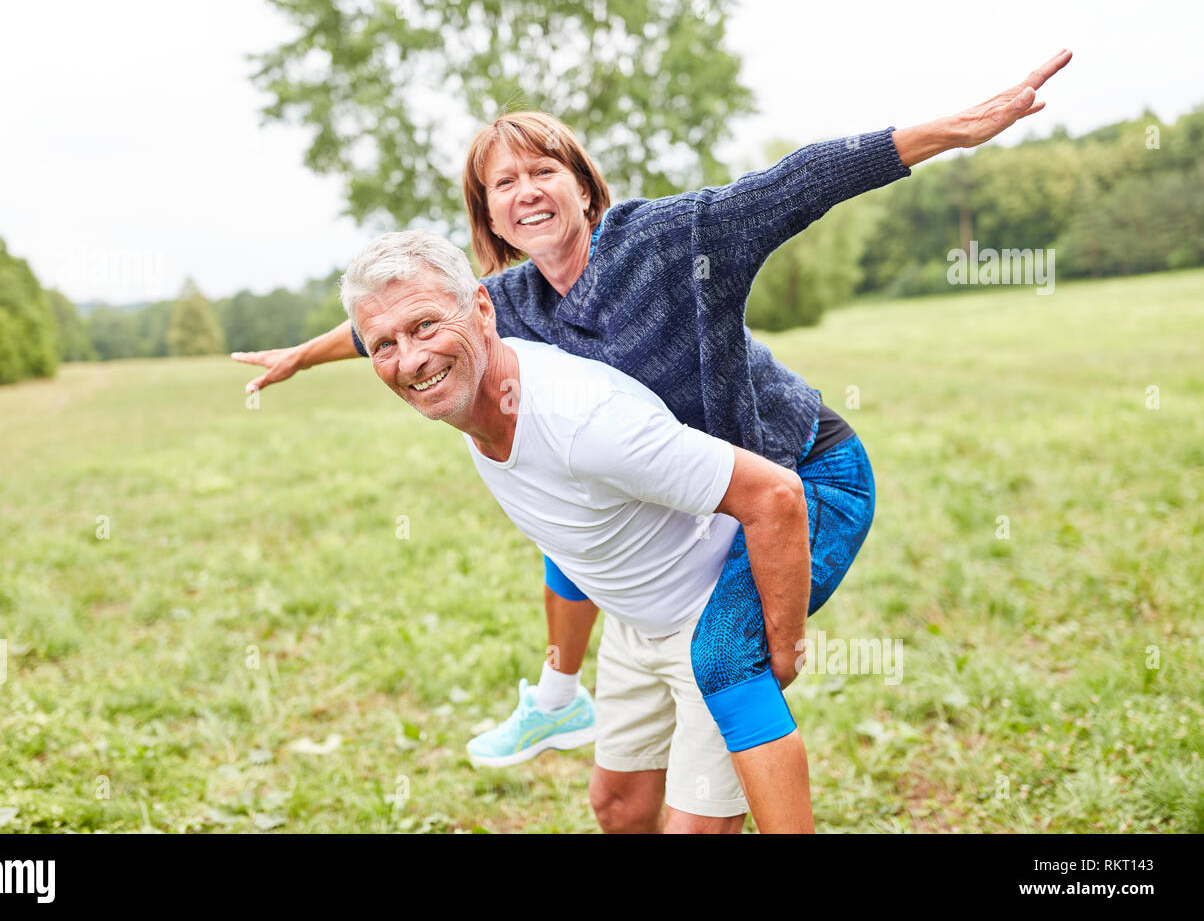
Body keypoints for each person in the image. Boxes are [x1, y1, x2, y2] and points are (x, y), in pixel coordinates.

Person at [234, 50, 1074, 766]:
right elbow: (388, 323)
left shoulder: (675, 237)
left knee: (724, 661)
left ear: (581, 183)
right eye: (503, 182)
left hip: (804, 478)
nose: (526, 191)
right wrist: (301, 357)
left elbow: (799, 180)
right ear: (485, 213)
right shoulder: (508, 300)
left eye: (543, 170)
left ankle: (759, 689)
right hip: (705, 492)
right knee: (568, 514)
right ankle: (559, 698)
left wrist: (948, 133)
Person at [343, 228, 814, 832]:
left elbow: (775, 496)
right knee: (616, 808)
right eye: (384, 344)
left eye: (426, 326)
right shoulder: (473, 403)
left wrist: (780, 650)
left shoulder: (583, 422)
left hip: (707, 620)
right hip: (633, 624)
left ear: (482, 309)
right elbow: (570, 541)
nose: (410, 360)